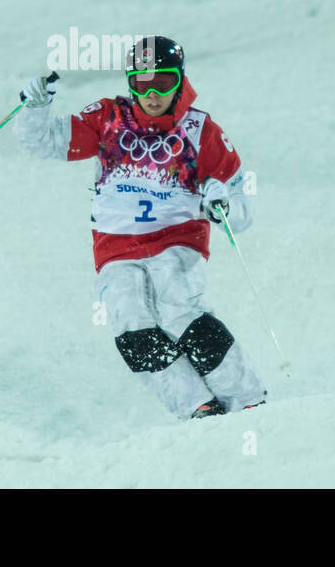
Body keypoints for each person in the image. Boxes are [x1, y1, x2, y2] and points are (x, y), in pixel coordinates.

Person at [14, 35, 267, 420]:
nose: (152, 94)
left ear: (179, 80)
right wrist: (34, 107)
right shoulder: (108, 118)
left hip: (176, 238)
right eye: (141, 84)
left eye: (162, 83)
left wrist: (224, 206)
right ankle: (196, 405)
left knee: (179, 307)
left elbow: (242, 206)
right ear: (130, 82)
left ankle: (246, 397)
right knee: (130, 321)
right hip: (115, 244)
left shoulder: (201, 131)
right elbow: (44, 141)